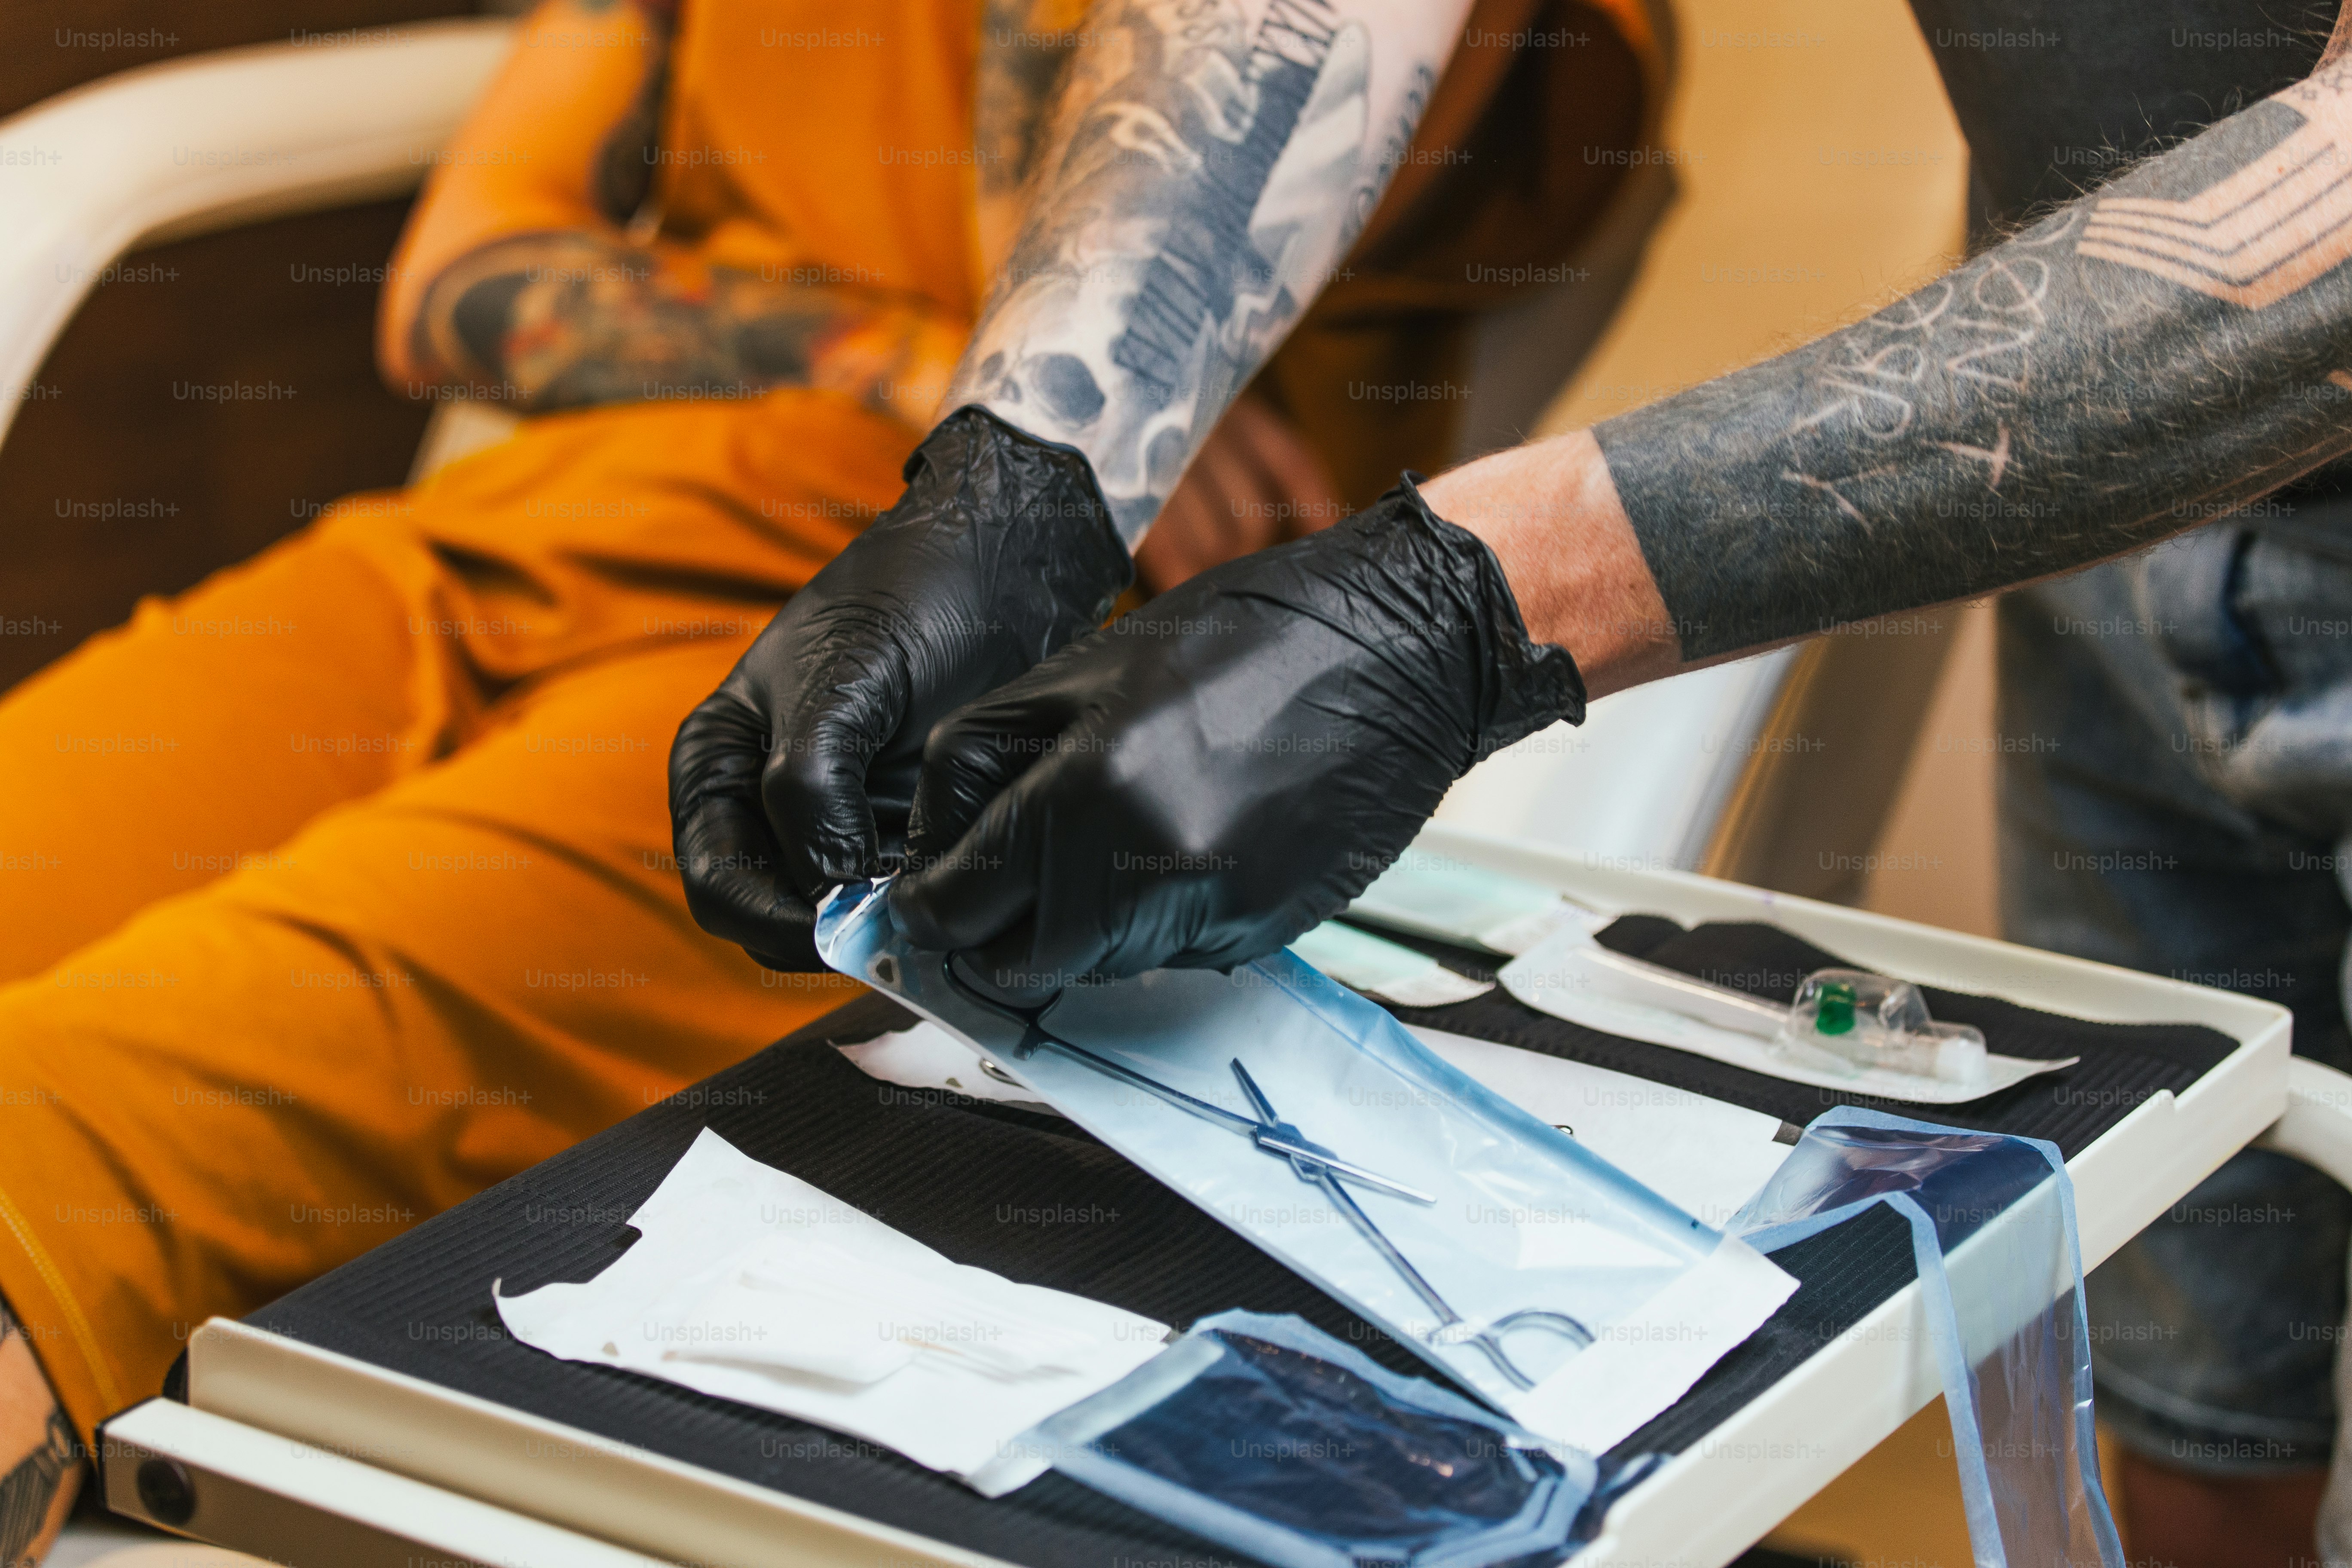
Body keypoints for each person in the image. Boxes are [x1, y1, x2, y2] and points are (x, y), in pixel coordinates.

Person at [683, 5, 2352, 1568]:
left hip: (2211, 375)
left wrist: (1483, 597)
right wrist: (1029, 460)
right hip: (2106, 490)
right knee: (2203, 1397)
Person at [0, 0, 1657, 1560]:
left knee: (83, 1121)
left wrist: (1002, 413)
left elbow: (1104, 242)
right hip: (524, 538)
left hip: (978, 674)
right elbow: (463, 281)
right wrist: (902, 355)